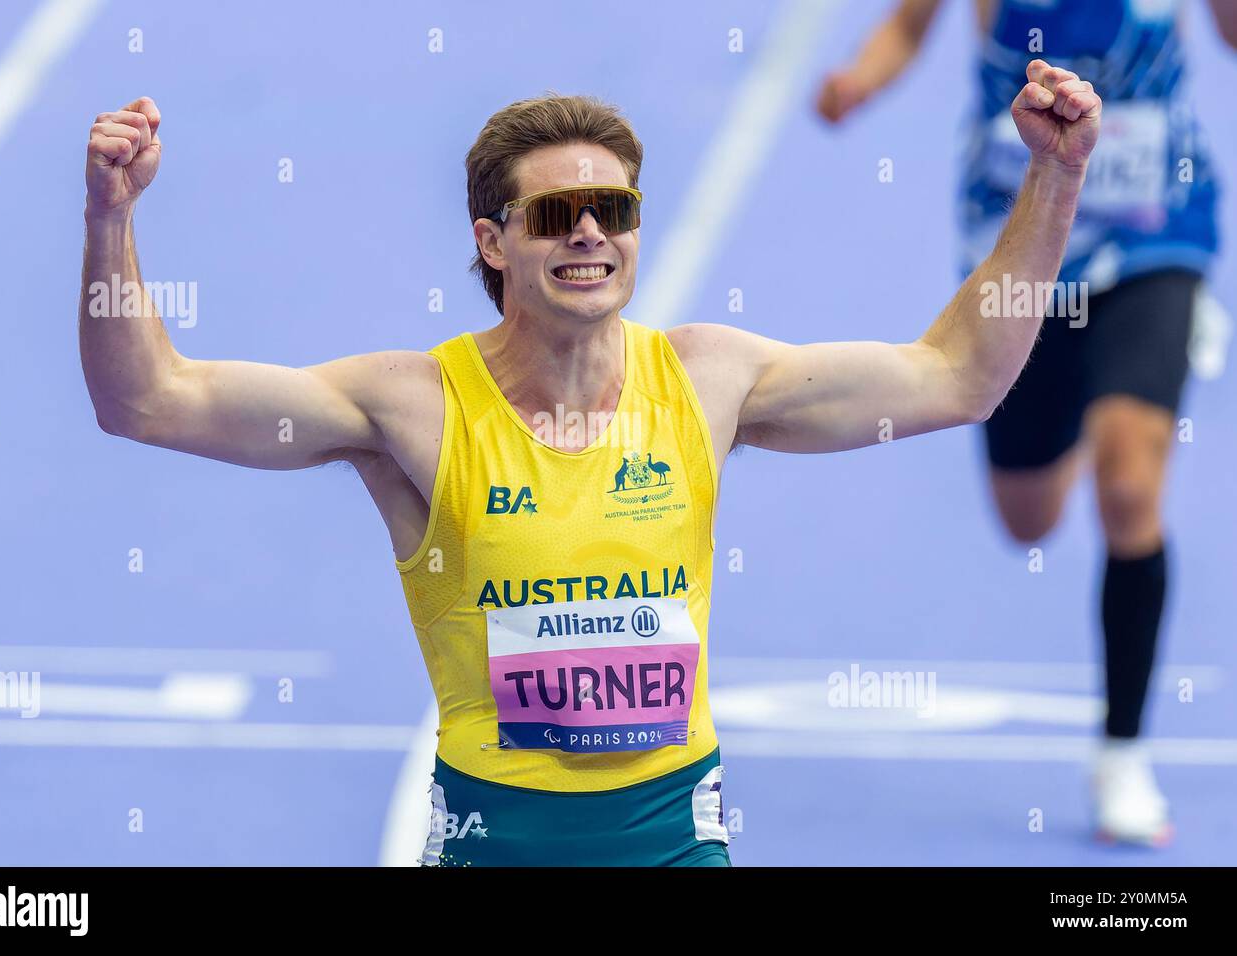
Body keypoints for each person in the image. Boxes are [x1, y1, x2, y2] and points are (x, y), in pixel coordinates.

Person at [79, 60, 1101, 865]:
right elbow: (147, 399)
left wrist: (1055, 176)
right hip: (494, 841)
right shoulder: (409, 405)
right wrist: (110, 219)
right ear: (492, 240)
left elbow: (958, 376)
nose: (587, 233)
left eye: (611, 211)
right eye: (553, 214)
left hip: (672, 842)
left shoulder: (708, 379)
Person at [816, 0, 1234, 846]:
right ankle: (1102, 397)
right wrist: (860, 80)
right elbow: (906, 26)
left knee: (1128, 490)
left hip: (1156, 235)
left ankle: (1121, 753)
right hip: (1022, 250)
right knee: (1028, 518)